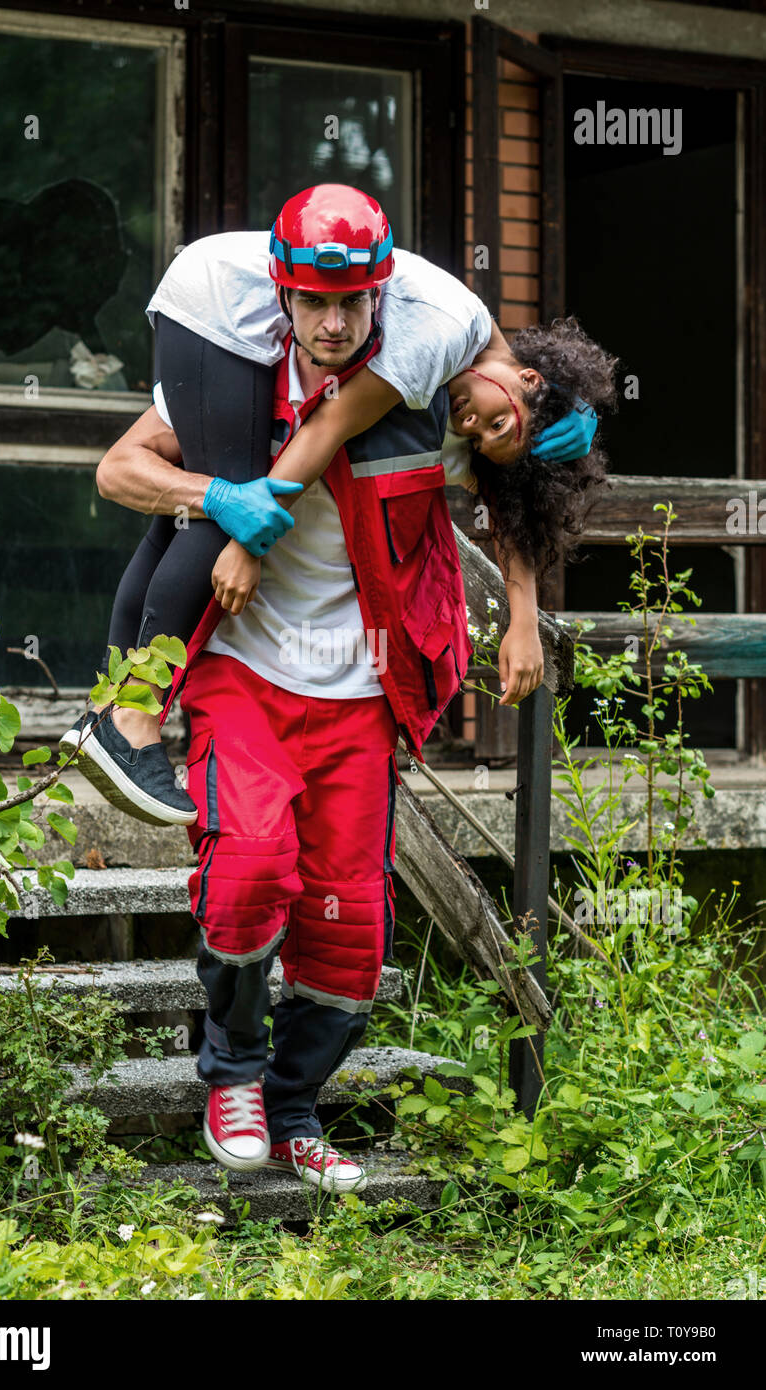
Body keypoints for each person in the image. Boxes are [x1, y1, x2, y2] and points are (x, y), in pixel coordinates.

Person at [84, 187, 616, 1193]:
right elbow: (120, 469)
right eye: (312, 305)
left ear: (382, 300)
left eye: (353, 306)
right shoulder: (224, 386)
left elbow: (513, 488)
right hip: (244, 672)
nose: (332, 325)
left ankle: (295, 1108)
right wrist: (222, 507)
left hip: (363, 689)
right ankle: (233, 1078)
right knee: (246, 870)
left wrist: (519, 602)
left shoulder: (439, 389)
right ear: (283, 298)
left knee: (350, 929)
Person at [61, 185, 597, 829]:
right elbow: (328, 427)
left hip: (219, 297)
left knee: (196, 506)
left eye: (486, 443)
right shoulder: (435, 336)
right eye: (496, 425)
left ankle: (110, 706)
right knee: (236, 494)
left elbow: (510, 500)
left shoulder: (473, 382)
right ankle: (130, 718)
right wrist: (249, 540)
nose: (474, 432)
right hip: (213, 305)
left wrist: (524, 618)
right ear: (530, 379)